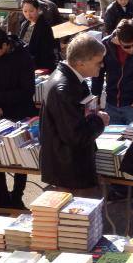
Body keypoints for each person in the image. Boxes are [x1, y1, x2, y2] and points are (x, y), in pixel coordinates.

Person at [40, 33, 110, 194]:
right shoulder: (64, 88)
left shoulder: (70, 79)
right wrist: (99, 121)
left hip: (70, 168)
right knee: (76, 217)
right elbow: (76, 136)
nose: (102, 66)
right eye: (98, 62)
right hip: (70, 172)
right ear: (80, 63)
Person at [0, 27, 38, 208]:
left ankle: (17, 196)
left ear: (5, 45)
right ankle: (2, 195)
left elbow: (27, 91)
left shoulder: (23, 58)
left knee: (20, 157)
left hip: (19, 112)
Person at [18, 0, 57, 71]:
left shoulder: (44, 27)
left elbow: (45, 52)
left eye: (31, 11)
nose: (28, 14)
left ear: (38, 9)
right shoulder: (24, 24)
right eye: (25, 11)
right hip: (26, 60)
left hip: (39, 63)